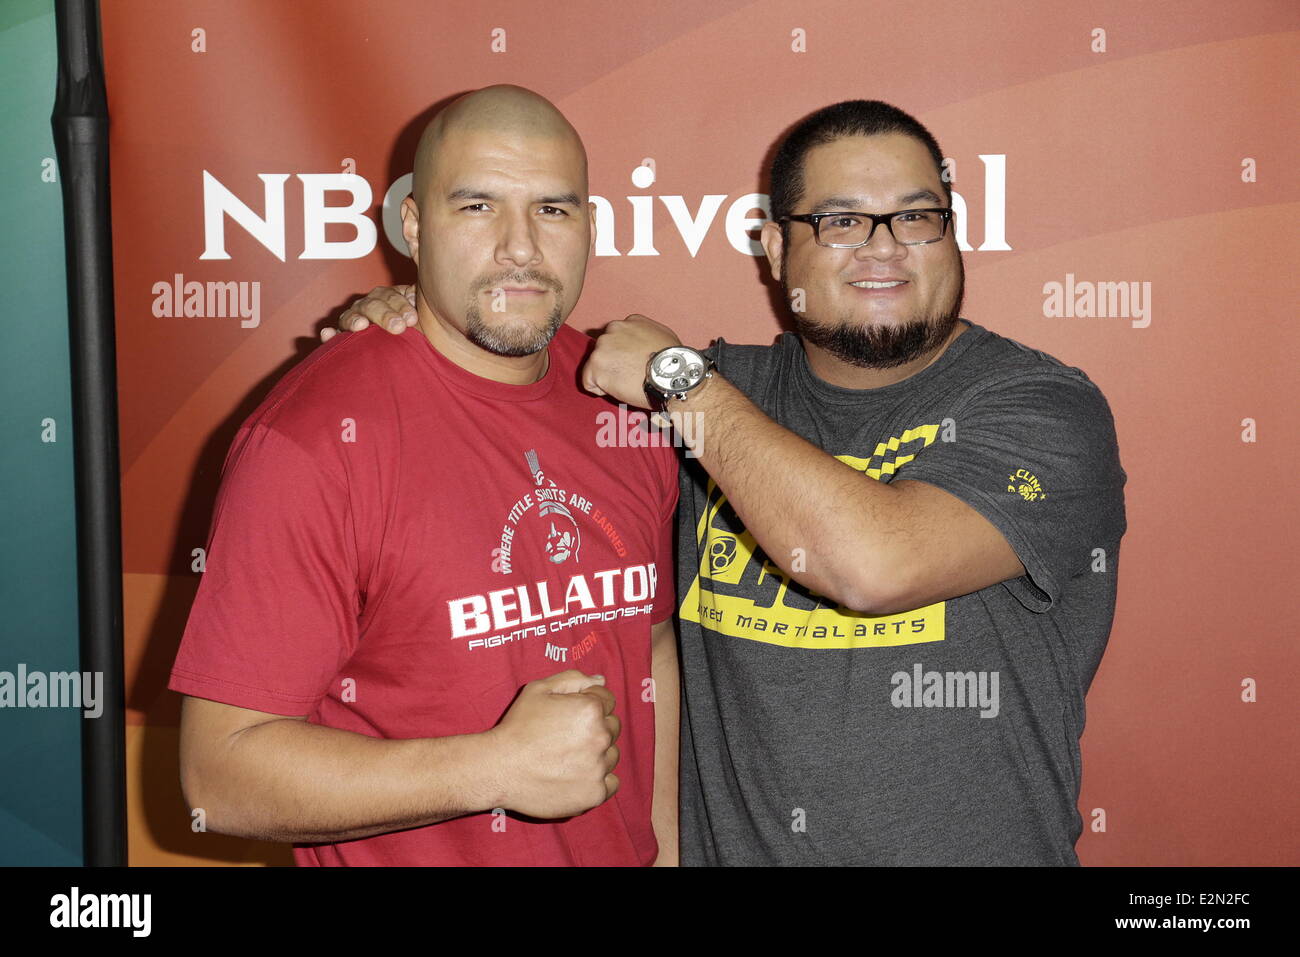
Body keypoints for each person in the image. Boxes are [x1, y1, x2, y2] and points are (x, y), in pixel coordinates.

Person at [334, 99, 1128, 865]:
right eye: (841, 221)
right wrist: (419, 313)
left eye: (917, 218)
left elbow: (873, 563)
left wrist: (683, 384)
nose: (884, 248)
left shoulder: (1043, 407)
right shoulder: (707, 396)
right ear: (778, 252)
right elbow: (516, 367)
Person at [169, 85, 681, 867]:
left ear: (590, 228)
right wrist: (495, 766)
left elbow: (650, 651)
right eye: (478, 207)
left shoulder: (631, 403)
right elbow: (219, 775)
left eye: (553, 209)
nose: (520, 247)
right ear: (413, 228)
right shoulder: (312, 441)